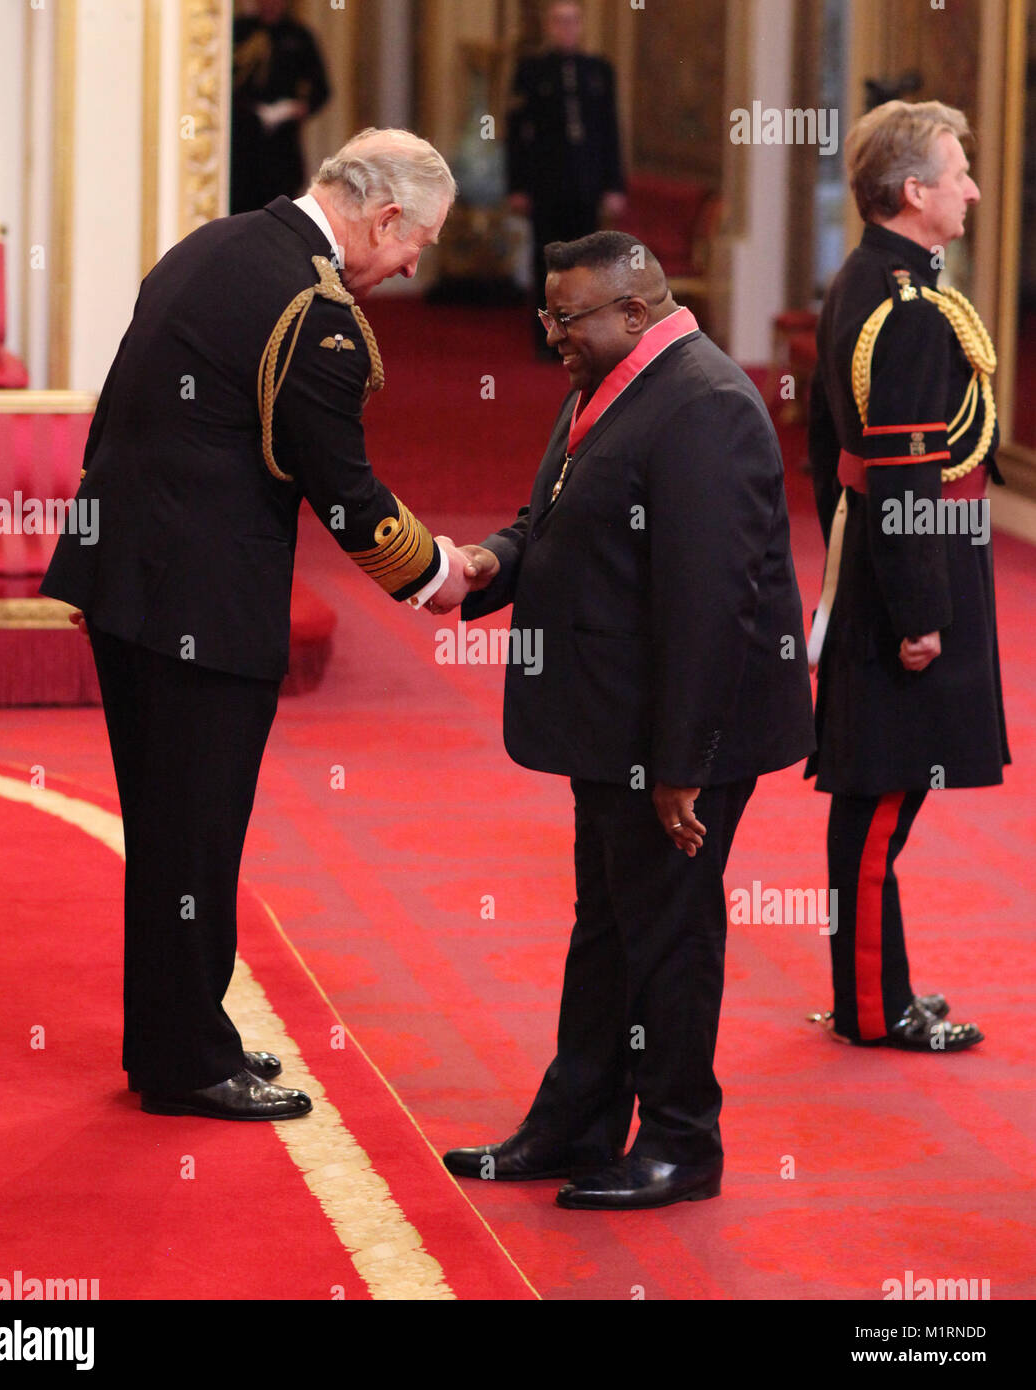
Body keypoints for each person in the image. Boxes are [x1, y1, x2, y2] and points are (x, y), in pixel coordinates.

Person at [40, 129, 484, 1121]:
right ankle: (188, 1059)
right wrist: (436, 574)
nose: (414, 264)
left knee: (170, 829)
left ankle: (185, 1033)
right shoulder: (313, 306)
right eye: (417, 242)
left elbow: (115, 407)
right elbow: (341, 482)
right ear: (381, 218)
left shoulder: (219, 242)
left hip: (129, 580)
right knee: (195, 834)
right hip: (199, 602)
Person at [432, 231, 815, 1210]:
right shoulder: (612, 377)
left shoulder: (706, 407)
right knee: (607, 927)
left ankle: (682, 1141)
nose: (549, 333)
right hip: (616, 726)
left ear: (634, 311)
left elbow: (708, 605)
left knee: (670, 934)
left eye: (566, 317)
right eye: (547, 313)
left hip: (674, 738)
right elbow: (561, 515)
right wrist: (491, 563)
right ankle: (578, 1121)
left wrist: (682, 762)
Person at [806, 100, 1008, 1052]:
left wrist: (847, 554)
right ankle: (870, 1007)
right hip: (912, 562)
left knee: (878, 797)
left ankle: (874, 988)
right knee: (883, 800)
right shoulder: (907, 309)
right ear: (913, 191)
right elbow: (901, 471)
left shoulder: (865, 282)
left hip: (885, 552)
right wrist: (918, 613)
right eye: (958, 172)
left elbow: (826, 449)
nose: (971, 188)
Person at [506, 1, 626, 342]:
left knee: (584, 261)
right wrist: (517, 186)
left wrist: (614, 185)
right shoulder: (530, 71)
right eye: (559, 22)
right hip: (545, 182)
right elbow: (516, 136)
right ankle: (547, 333)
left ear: (581, 25)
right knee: (546, 259)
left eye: (572, 21)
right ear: (548, 26)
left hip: (586, 182)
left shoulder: (599, 70)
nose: (566, 29)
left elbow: (610, 131)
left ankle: (581, 329)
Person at [230, 0, 330, 214]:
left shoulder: (299, 36)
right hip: (242, 138)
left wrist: (301, 108)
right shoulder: (238, 31)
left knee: (278, 208)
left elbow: (321, 89)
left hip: (282, 145)